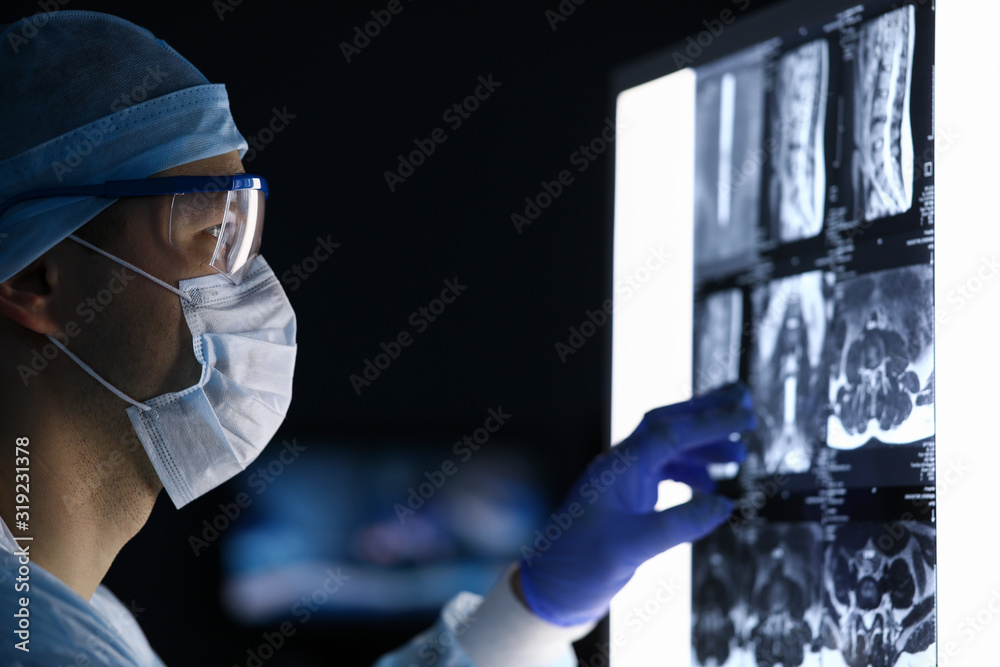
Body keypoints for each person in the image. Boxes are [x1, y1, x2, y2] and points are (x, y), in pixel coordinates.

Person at [0, 11, 753, 666]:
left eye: (248, 231)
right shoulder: (38, 642)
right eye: (211, 233)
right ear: (37, 278)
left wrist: (531, 608)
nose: (253, 287)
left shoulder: (69, 613)